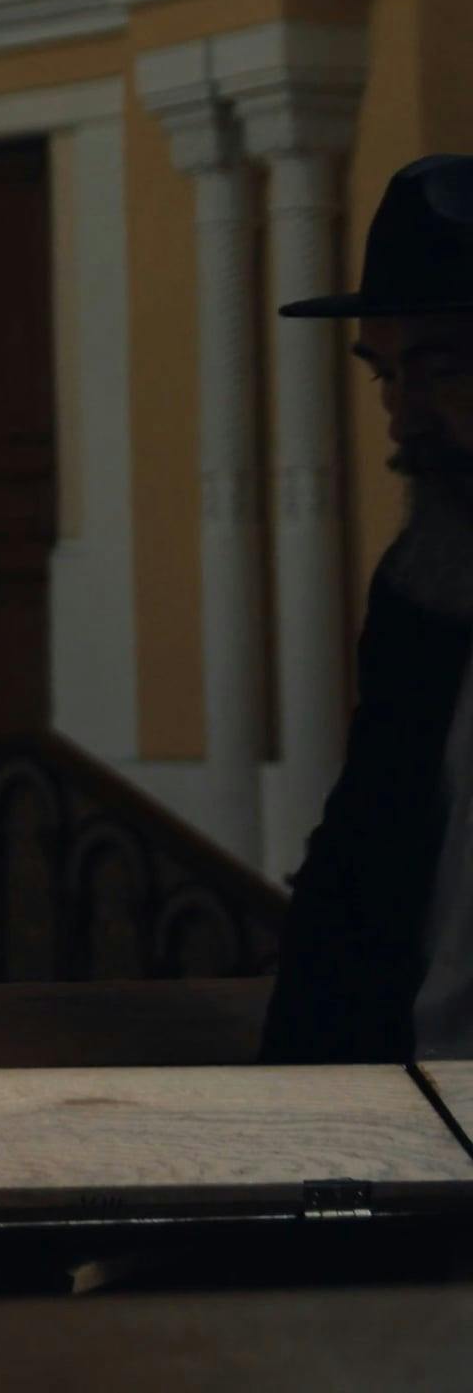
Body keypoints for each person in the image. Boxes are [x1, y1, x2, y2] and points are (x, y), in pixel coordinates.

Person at [262, 156, 473, 1061]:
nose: (401, 415)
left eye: (438, 368)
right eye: (384, 374)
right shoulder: (418, 588)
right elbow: (364, 856)